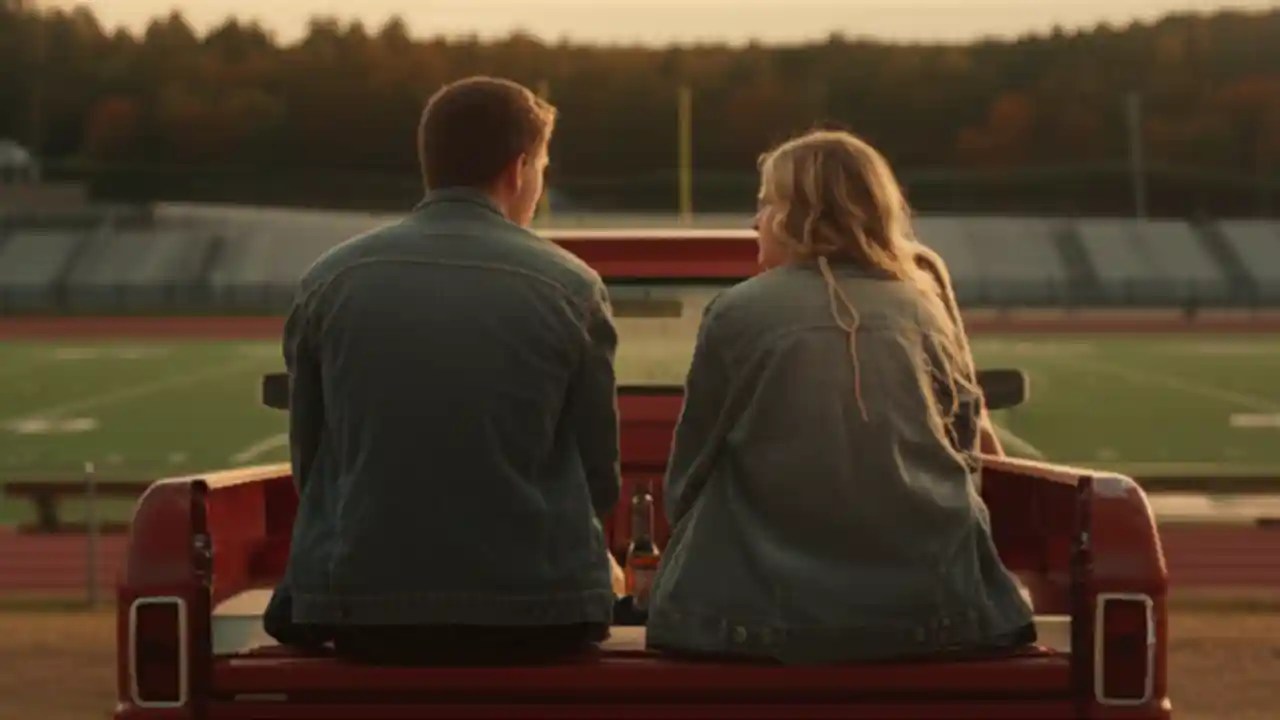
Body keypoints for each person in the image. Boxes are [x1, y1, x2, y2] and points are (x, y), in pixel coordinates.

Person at [264, 76, 623, 665]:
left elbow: (312, 461)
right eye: (543, 169)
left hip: (365, 610)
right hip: (537, 614)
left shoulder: (330, 280)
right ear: (519, 168)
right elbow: (598, 479)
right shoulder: (571, 286)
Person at [644, 129, 1036, 664]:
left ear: (795, 213)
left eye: (764, 203)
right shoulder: (926, 310)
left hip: (756, 620)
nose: (755, 221)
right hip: (932, 612)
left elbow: (689, 475)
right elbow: (968, 461)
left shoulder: (737, 312)